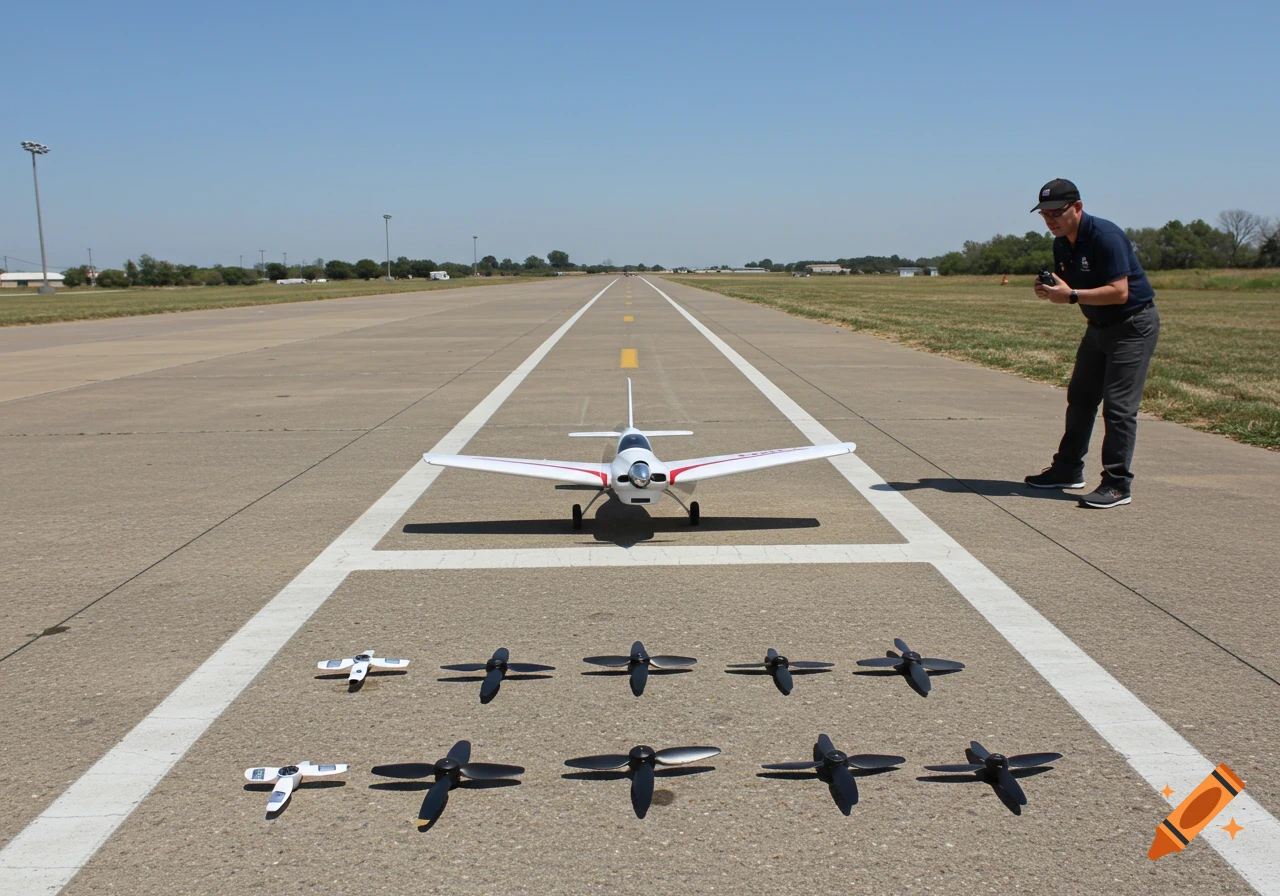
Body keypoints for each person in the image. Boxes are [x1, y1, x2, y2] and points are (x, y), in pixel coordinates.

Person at [1024, 178, 1160, 508]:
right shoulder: (1061, 243)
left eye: (1057, 211)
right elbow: (1070, 283)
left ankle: (1117, 484)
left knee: (1118, 407)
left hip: (1132, 326)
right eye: (1044, 214)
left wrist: (1069, 296)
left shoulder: (1106, 236)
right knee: (1081, 398)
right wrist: (1050, 288)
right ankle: (1067, 470)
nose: (1050, 219)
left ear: (1078, 207)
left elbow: (1119, 291)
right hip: (1097, 327)